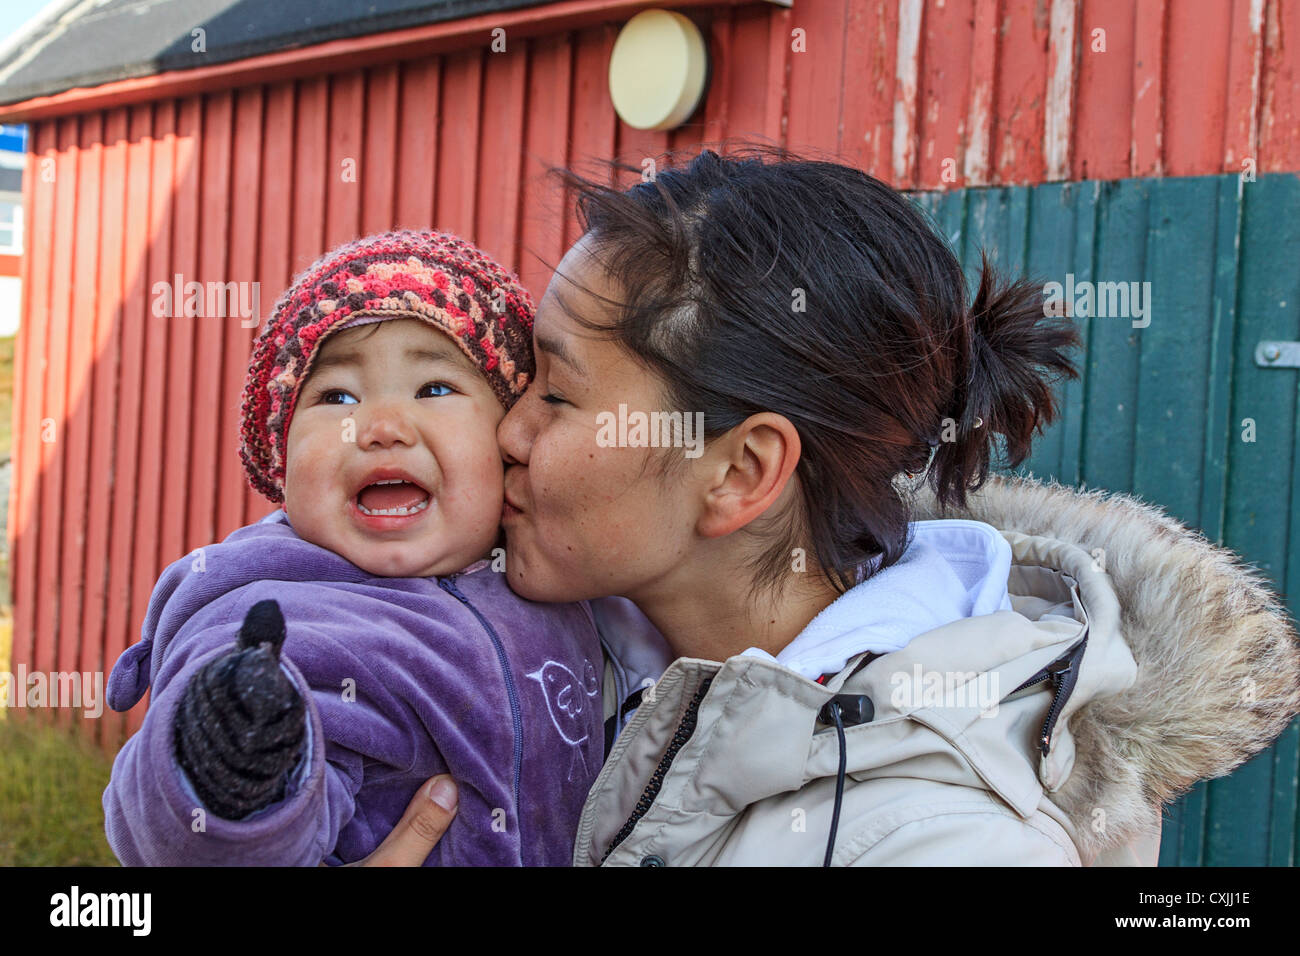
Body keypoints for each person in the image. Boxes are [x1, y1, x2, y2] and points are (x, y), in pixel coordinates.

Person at [356, 145, 1300, 867]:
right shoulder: (521, 652)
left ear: (738, 472)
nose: (505, 432)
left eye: (556, 396)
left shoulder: (947, 847)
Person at [101, 230, 605, 866]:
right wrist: (234, 761)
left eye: (433, 389)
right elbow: (173, 842)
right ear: (281, 464)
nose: (381, 428)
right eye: (336, 397)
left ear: (510, 438)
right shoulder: (279, 621)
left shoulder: (556, 576)